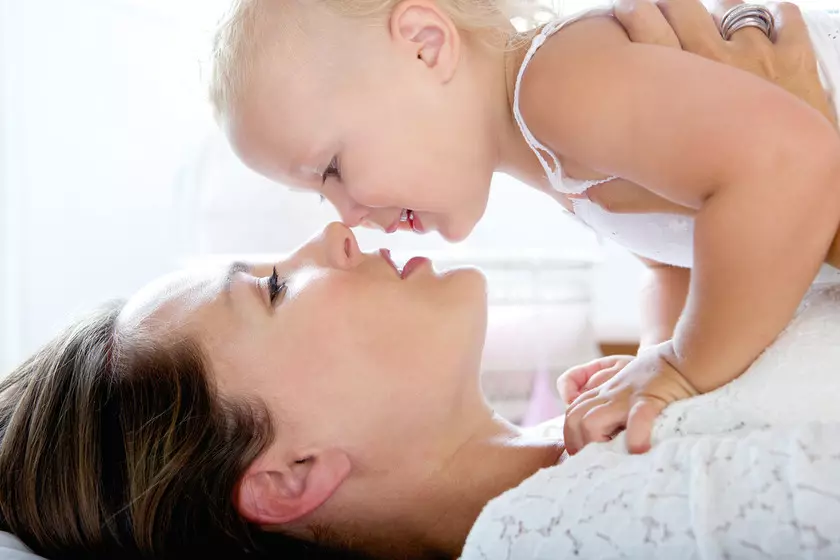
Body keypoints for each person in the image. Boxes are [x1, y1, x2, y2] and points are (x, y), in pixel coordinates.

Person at [207, 0, 840, 455]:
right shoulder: (548, 147)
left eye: (335, 168)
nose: (348, 215)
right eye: (322, 195)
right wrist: (651, 356)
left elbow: (788, 165)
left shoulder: (556, 89)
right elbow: (678, 249)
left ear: (427, 43)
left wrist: (686, 365)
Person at [2, 223, 840, 560]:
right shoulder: (539, 543)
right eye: (272, 290)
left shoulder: (587, 445)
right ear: (291, 474)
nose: (328, 233)